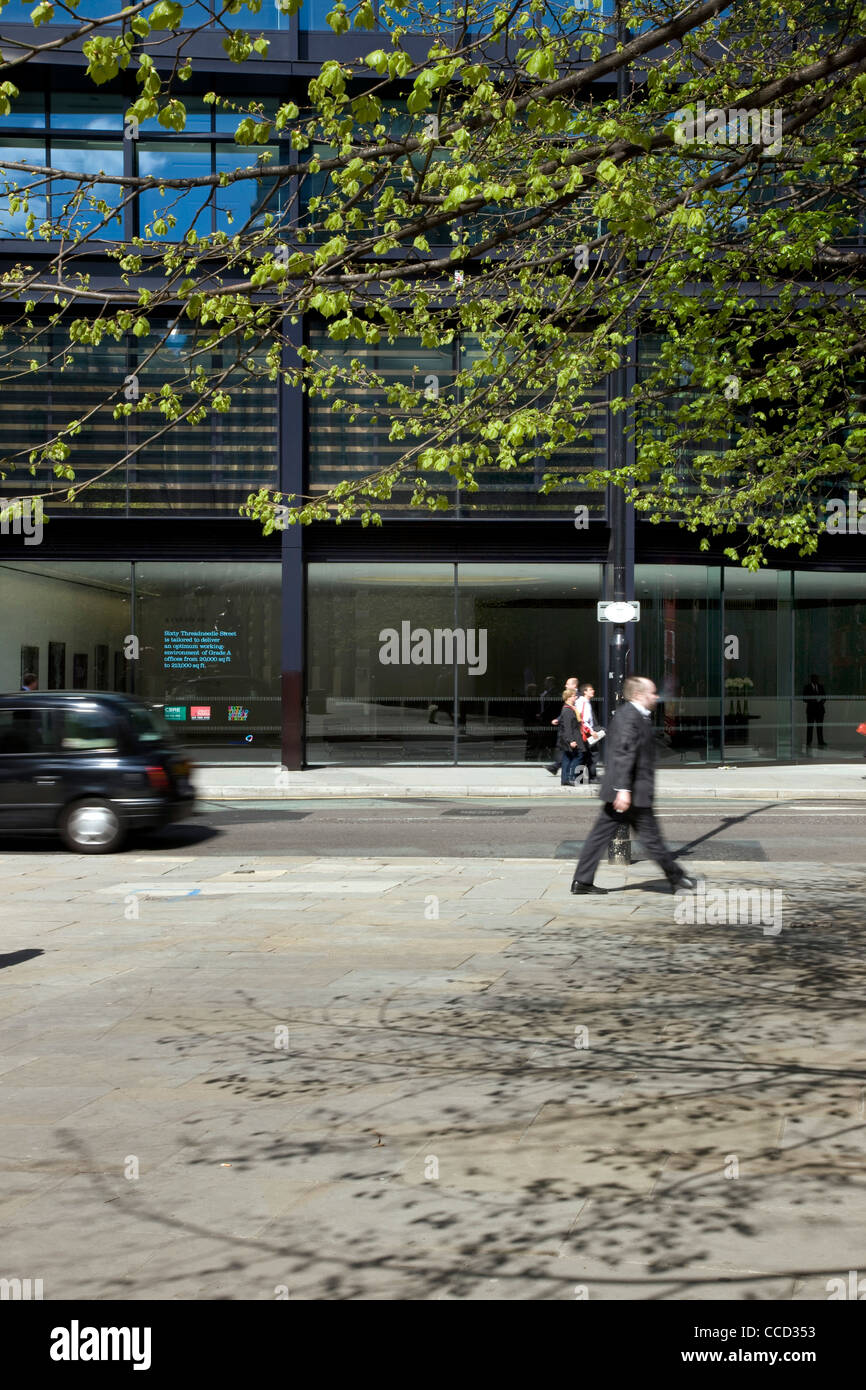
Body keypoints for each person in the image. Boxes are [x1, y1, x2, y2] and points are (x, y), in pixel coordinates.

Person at [570, 675, 699, 895]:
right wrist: (623, 790)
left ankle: (582, 881)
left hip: (625, 791)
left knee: (600, 836)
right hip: (631, 791)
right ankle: (677, 878)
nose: (655, 696)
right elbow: (624, 753)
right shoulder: (630, 716)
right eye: (652, 693)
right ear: (639, 695)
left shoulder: (634, 715)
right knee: (652, 838)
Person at [546, 675, 579, 775]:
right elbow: (566, 710)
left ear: (574, 685)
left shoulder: (578, 697)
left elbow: (576, 713)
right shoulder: (569, 695)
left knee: (578, 754)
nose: (565, 685)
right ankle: (559, 770)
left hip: (575, 729)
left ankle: (576, 777)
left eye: (568, 684)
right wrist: (558, 719)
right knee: (568, 752)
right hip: (569, 728)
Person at [556, 690, 583, 785]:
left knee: (567, 758)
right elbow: (567, 727)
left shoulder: (571, 708)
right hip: (570, 738)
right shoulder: (567, 710)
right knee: (578, 755)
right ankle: (569, 777)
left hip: (571, 737)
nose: (576, 697)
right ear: (568, 698)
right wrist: (571, 740)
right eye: (574, 696)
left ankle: (565, 779)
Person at [575, 681, 601, 783]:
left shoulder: (584, 702)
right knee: (592, 754)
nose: (593, 691)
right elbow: (583, 719)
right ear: (585, 692)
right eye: (590, 689)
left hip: (584, 733)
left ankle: (580, 778)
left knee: (585, 755)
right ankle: (590, 777)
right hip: (586, 733)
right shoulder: (584, 702)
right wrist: (591, 731)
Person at [803, 674, 826, 750]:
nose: (816, 680)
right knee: (810, 727)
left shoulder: (821, 687)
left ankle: (821, 741)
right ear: (811, 679)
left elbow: (824, 697)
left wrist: (820, 702)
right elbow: (804, 699)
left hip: (820, 710)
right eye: (814, 678)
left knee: (820, 727)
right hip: (811, 710)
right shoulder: (807, 687)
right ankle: (809, 742)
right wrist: (812, 700)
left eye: (817, 678)